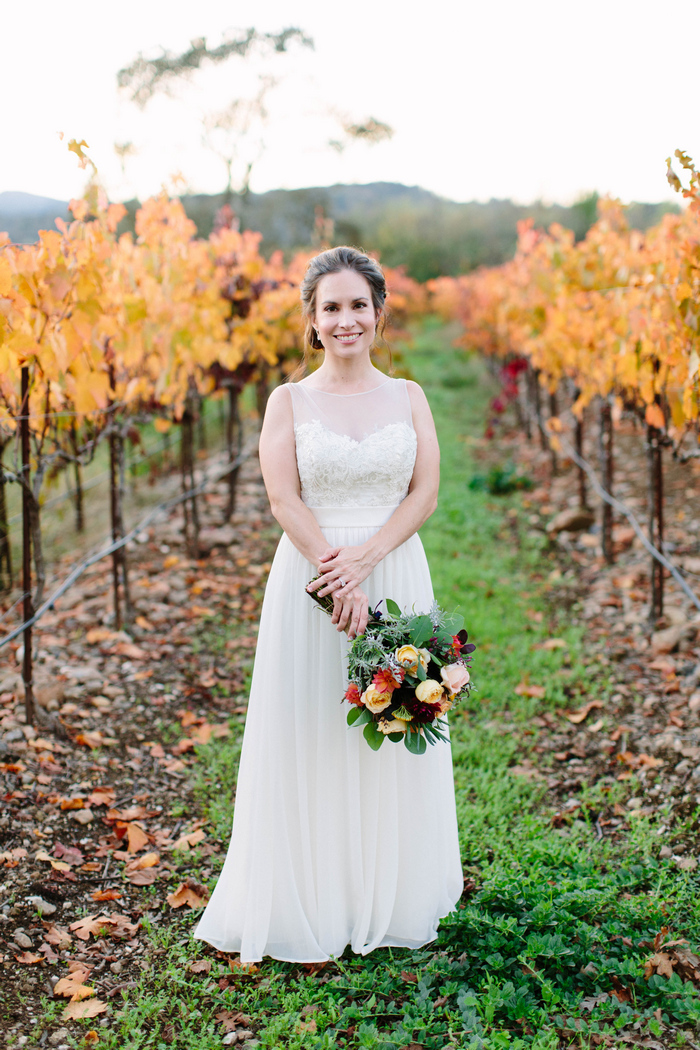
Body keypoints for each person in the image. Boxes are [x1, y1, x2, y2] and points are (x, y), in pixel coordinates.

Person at [194, 246, 462, 963]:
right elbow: (283, 497)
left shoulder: (409, 395)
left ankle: (389, 890)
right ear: (312, 321)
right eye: (331, 308)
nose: (346, 320)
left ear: (378, 312)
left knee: (391, 722)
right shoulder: (288, 401)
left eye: (358, 305)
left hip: (394, 569)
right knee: (311, 725)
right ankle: (309, 898)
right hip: (312, 579)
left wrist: (369, 564)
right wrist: (338, 580)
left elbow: (425, 493)